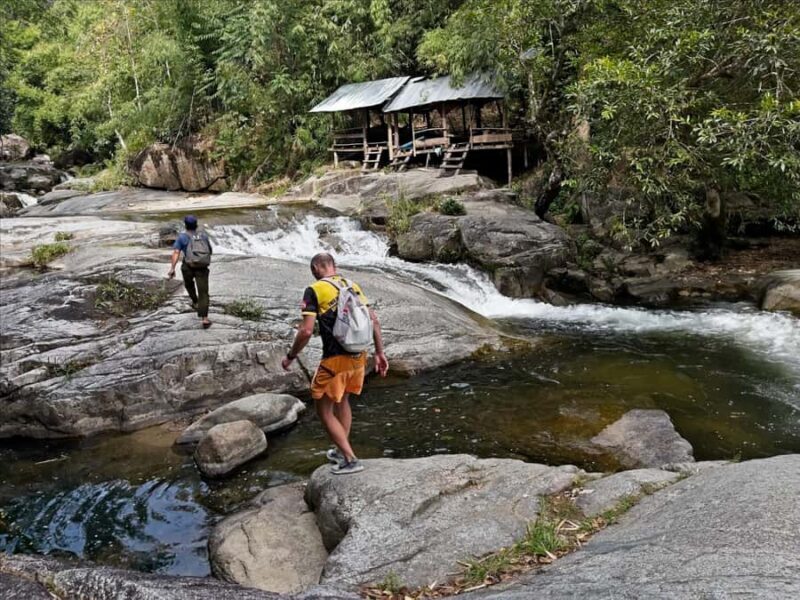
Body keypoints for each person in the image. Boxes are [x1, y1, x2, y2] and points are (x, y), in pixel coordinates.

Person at [282, 252, 389, 475]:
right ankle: (341, 451)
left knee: (323, 410)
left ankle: (350, 459)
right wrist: (379, 353)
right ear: (334, 266)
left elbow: (307, 330)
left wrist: (291, 356)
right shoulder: (351, 285)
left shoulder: (315, 290)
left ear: (314, 269)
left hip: (334, 359)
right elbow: (374, 319)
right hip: (358, 356)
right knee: (343, 401)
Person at [168, 215, 213, 329]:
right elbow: (210, 250)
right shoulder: (203, 236)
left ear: (186, 225)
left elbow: (176, 252)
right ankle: (205, 318)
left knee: (188, 284)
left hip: (188, 266)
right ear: (196, 225)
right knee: (203, 292)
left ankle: (195, 301)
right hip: (202, 267)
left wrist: (172, 268)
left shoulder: (182, 237)